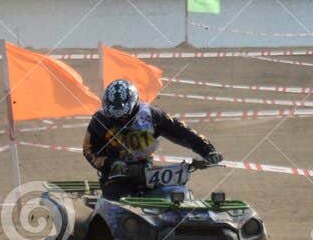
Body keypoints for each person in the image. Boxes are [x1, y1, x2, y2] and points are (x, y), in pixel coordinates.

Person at [83, 79, 224, 199]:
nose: (118, 118)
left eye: (122, 114)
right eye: (113, 114)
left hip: (149, 172)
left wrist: (207, 150)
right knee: (117, 201)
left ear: (133, 106)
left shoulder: (152, 115)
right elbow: (89, 150)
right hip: (115, 177)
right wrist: (110, 163)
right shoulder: (99, 120)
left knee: (178, 194)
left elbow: (182, 132)